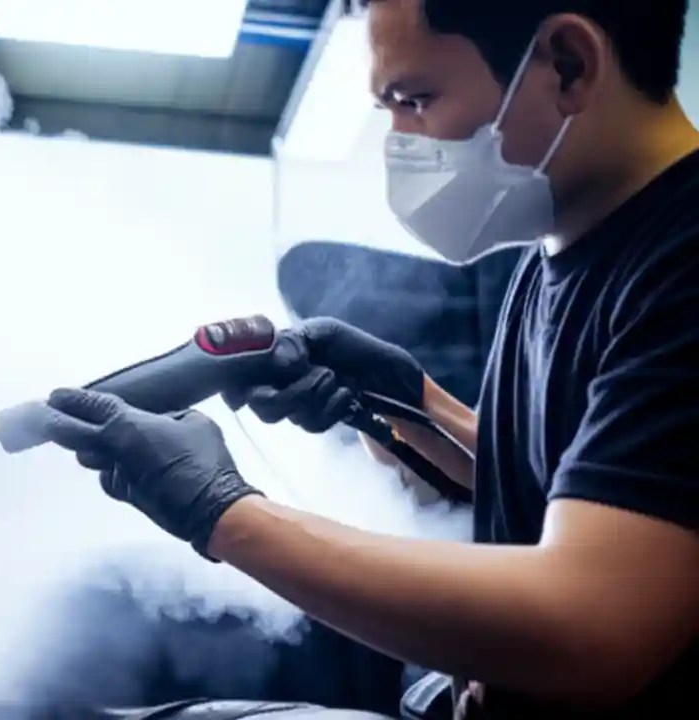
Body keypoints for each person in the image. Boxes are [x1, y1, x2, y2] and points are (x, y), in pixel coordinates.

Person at [40, 0, 699, 717]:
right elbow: (572, 497)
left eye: (414, 100)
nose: (398, 142)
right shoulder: (555, 250)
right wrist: (411, 406)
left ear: (568, 64)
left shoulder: (684, 260)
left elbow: (593, 626)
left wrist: (219, 509)